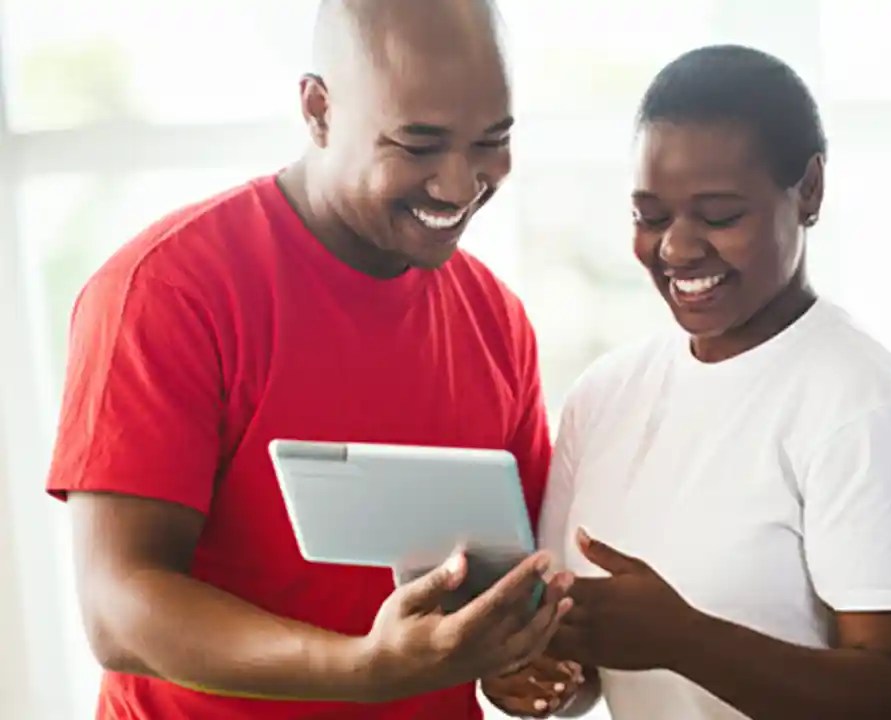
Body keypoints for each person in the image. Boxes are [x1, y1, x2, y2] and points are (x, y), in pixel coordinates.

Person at [44, 0, 574, 718]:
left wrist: (520, 653)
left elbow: (514, 588)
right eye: (418, 146)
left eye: (492, 141)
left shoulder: (496, 320)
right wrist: (364, 669)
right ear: (319, 110)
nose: (460, 184)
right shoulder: (167, 291)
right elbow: (118, 607)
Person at [482, 44, 891, 720]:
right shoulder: (603, 398)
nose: (677, 248)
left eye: (718, 216)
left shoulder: (868, 411)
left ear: (809, 192)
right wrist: (534, 670)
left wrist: (684, 639)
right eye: (650, 216)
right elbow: (585, 659)